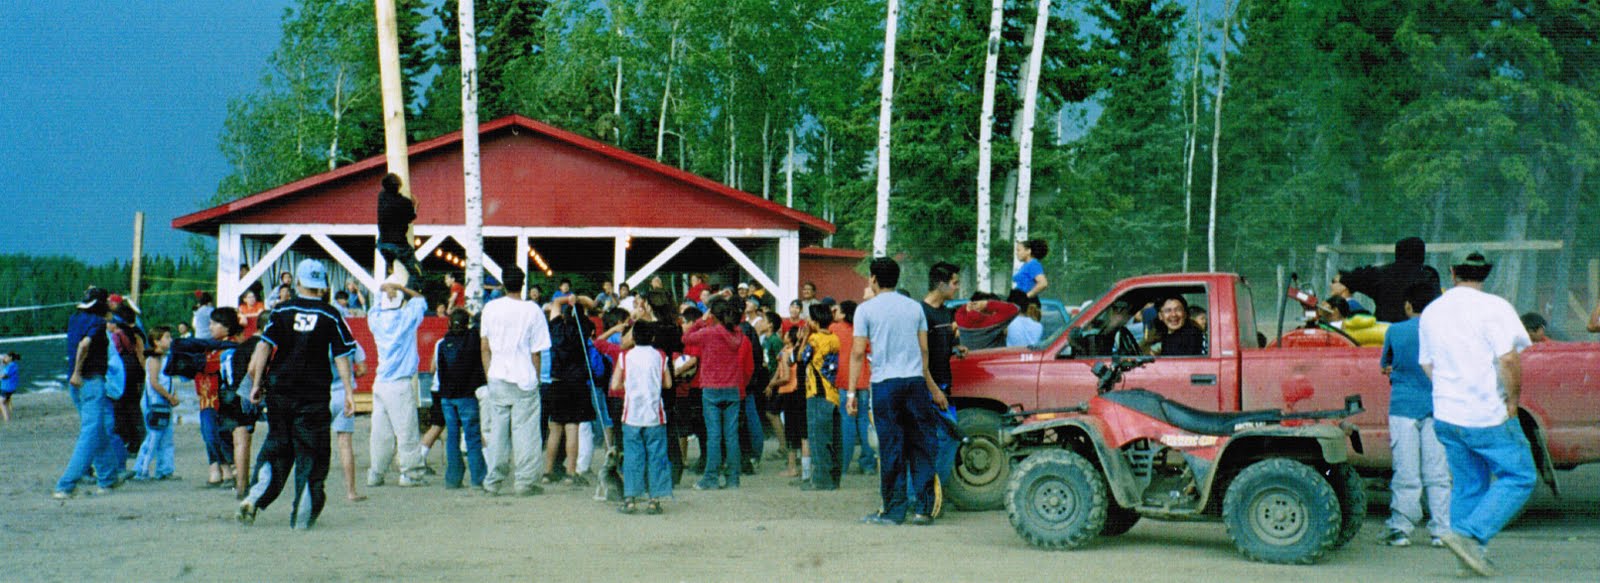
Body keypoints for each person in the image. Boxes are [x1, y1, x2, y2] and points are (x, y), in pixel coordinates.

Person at [1417, 251, 1536, 577]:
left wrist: (1450, 392)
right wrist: (1512, 401)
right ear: (1486, 273)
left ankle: (1467, 561)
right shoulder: (1495, 307)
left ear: (1452, 272)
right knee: (1520, 476)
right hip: (1487, 414)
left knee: (1469, 485)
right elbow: (1509, 360)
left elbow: (1427, 364)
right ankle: (1470, 535)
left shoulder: (1431, 312)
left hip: (1447, 415)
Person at [236, 259, 359, 529]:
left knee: (277, 446)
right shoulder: (330, 314)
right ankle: (302, 517)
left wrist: (256, 384)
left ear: (299, 283)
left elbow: (264, 348)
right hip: (313, 395)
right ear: (323, 284)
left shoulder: (281, 311)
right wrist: (349, 392)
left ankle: (255, 495)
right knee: (311, 455)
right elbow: (341, 356)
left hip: (280, 392)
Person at [850, 257, 948, 526]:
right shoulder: (914, 308)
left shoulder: (865, 311)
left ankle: (893, 511)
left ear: (873, 278)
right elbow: (924, 349)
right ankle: (923, 509)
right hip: (915, 382)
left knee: (892, 446)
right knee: (921, 444)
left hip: (885, 384)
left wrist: (850, 392)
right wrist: (928, 382)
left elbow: (858, 352)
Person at [1379, 283, 1451, 548]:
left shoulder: (1395, 330)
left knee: (1406, 472)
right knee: (1438, 473)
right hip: (1438, 407)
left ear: (1408, 306)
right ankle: (1441, 531)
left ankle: (1401, 529)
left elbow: (1385, 365)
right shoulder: (1445, 332)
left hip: (1403, 408)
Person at [479, 265, 552, 497]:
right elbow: (537, 352)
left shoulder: (490, 308)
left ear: (502, 283)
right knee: (526, 434)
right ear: (523, 284)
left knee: (498, 433)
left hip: (497, 375)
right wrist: (537, 379)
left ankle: (493, 480)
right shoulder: (533, 311)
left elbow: (485, 347)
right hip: (524, 377)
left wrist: (490, 373)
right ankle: (524, 481)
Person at [53, 288, 123, 499]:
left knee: (98, 430)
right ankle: (65, 485)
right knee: (90, 433)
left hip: (75, 385)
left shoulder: (75, 318)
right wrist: (77, 371)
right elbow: (84, 345)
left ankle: (108, 478)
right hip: (90, 380)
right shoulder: (97, 323)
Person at [366, 272, 431, 488]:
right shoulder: (406, 318)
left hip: (381, 381)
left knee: (380, 433)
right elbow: (420, 300)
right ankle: (410, 473)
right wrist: (401, 288)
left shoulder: (375, 319)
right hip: (400, 383)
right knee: (407, 432)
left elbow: (375, 302)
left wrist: (384, 287)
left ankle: (376, 473)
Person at [684, 298, 754, 490]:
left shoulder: (708, 333)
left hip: (711, 388)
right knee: (731, 436)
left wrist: (700, 321)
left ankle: (711, 477)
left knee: (714, 436)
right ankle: (733, 478)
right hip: (732, 388)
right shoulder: (738, 334)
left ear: (713, 314)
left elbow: (686, 338)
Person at [614, 323, 673, 515]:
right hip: (655, 414)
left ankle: (630, 498)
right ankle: (654, 500)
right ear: (653, 338)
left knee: (632, 457)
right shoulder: (660, 356)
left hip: (632, 414)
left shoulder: (625, 356)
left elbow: (615, 384)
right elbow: (668, 383)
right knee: (656, 456)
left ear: (633, 338)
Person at [543, 295, 599, 486]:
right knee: (572, 427)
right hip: (576, 382)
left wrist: (568, 298)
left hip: (557, 380)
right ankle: (570, 472)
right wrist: (580, 299)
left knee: (555, 429)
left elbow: (555, 303)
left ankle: (548, 471)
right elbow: (593, 304)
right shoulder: (585, 328)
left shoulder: (556, 327)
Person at [431, 309, 487, 489]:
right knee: (472, 437)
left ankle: (453, 479)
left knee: (452, 438)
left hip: (447, 396)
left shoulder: (443, 344)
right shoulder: (472, 340)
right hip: (467, 396)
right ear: (466, 323)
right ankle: (478, 478)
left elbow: (440, 371)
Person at [923, 262, 965, 485]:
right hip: (929, 388)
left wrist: (957, 347)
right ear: (941, 284)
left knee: (948, 438)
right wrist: (934, 390)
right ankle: (925, 492)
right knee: (933, 440)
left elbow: (951, 339)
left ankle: (933, 489)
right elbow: (920, 358)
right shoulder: (922, 313)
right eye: (954, 283)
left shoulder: (947, 313)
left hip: (944, 386)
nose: (957, 288)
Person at [1339, 236, 1442, 323]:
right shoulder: (1429, 277)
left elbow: (1348, 279)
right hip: (1418, 332)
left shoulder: (1380, 274)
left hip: (1383, 333)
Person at [798, 304, 842, 491]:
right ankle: (834, 478)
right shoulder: (834, 338)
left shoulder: (815, 339)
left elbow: (800, 357)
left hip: (817, 393)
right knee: (832, 437)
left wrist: (804, 337)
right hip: (832, 392)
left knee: (817, 437)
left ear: (815, 322)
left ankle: (821, 479)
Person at [833, 301, 876, 475]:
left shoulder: (834, 329)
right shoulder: (862, 329)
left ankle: (843, 464)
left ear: (843, 314)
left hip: (844, 380)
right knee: (864, 422)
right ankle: (868, 464)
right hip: (863, 379)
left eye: (837, 310)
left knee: (847, 422)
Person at [133, 327, 179, 480]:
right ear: (156, 341)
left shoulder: (166, 358)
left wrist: (173, 395)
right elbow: (154, 382)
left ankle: (165, 469)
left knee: (166, 436)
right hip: (154, 402)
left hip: (163, 402)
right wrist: (169, 396)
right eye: (166, 337)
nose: (170, 340)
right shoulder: (154, 359)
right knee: (153, 437)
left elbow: (168, 380)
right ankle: (141, 469)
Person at [767, 326, 808, 478]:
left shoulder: (786, 354)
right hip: (800, 392)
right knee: (803, 433)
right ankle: (805, 469)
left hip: (789, 392)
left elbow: (785, 377)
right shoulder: (798, 352)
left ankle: (792, 467)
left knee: (791, 432)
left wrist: (772, 384)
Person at [330, 343, 369, 502]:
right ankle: (351, 491)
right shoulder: (351, 342)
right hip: (344, 394)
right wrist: (350, 375)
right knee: (345, 444)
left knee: (315, 443)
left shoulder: (319, 336)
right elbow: (362, 369)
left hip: (321, 394)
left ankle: (312, 488)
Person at [376, 172, 423, 279]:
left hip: (383, 243)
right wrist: (415, 205)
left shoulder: (381, 197)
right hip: (399, 244)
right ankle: (410, 293)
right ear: (398, 186)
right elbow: (411, 218)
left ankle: (390, 264)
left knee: (388, 252)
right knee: (417, 273)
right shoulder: (404, 202)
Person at [1, 351, 19, 421]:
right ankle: (7, 417)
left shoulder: (10, 366)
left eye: (6, 357)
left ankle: (6, 419)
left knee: (1, 402)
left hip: (7, 387)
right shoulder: (13, 365)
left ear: (10, 358)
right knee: (5, 402)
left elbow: (4, 376)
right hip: (9, 386)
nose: (4, 359)